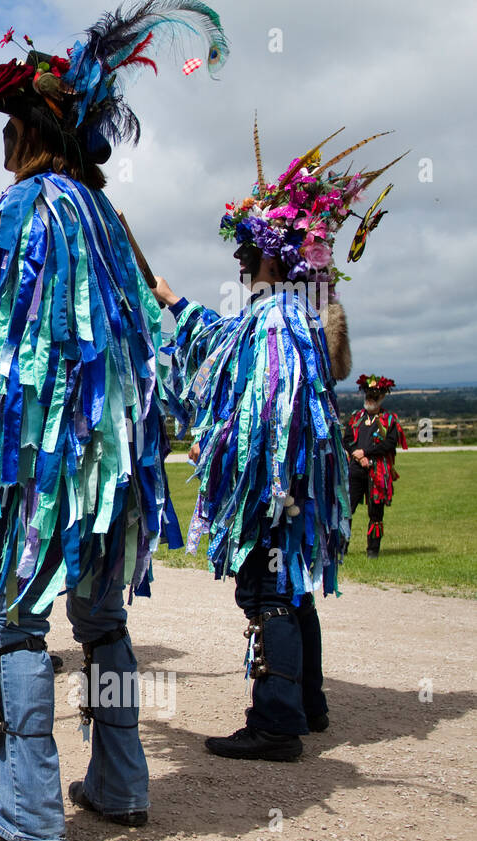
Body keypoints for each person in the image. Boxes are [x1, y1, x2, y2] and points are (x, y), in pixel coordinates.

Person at [0, 5, 221, 841]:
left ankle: (27, 815)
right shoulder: (103, 219)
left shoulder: (31, 208)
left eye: (8, 130)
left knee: (15, 628)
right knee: (103, 624)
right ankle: (121, 786)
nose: (2, 146)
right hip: (112, 467)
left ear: (31, 133)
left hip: (38, 470)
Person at [153, 123, 403, 758]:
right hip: (288, 482)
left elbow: (261, 403)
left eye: (249, 249)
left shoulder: (277, 319)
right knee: (288, 584)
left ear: (277, 255)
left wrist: (246, 474)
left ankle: (276, 723)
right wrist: (175, 300)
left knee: (268, 592)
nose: (239, 260)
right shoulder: (286, 314)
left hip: (272, 482)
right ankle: (308, 705)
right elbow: (222, 342)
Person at [344, 373, 407, 558]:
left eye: (374, 397)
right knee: (346, 509)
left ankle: (373, 550)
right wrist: (357, 454)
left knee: (375, 513)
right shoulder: (356, 418)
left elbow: (389, 444)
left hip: (377, 471)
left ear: (381, 398)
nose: (370, 400)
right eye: (368, 397)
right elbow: (347, 439)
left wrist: (367, 453)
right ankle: (341, 547)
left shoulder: (388, 420)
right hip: (356, 469)